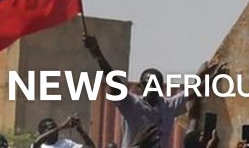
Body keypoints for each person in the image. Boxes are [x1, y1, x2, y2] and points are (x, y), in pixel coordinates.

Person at [83, 34, 224, 148]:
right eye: (148, 85)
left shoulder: (168, 106)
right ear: (140, 86)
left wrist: (212, 78)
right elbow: (114, 81)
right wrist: (98, 53)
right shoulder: (131, 104)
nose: (152, 88)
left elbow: (192, 92)